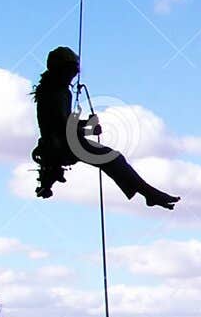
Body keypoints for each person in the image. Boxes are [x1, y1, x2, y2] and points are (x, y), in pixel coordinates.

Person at [30, 46, 180, 208]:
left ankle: (149, 194)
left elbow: (61, 123)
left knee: (113, 159)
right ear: (60, 70)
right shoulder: (56, 92)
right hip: (62, 146)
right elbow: (62, 126)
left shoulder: (55, 90)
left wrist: (86, 125)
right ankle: (150, 194)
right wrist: (88, 127)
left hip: (60, 145)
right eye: (70, 73)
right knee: (113, 159)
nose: (72, 78)